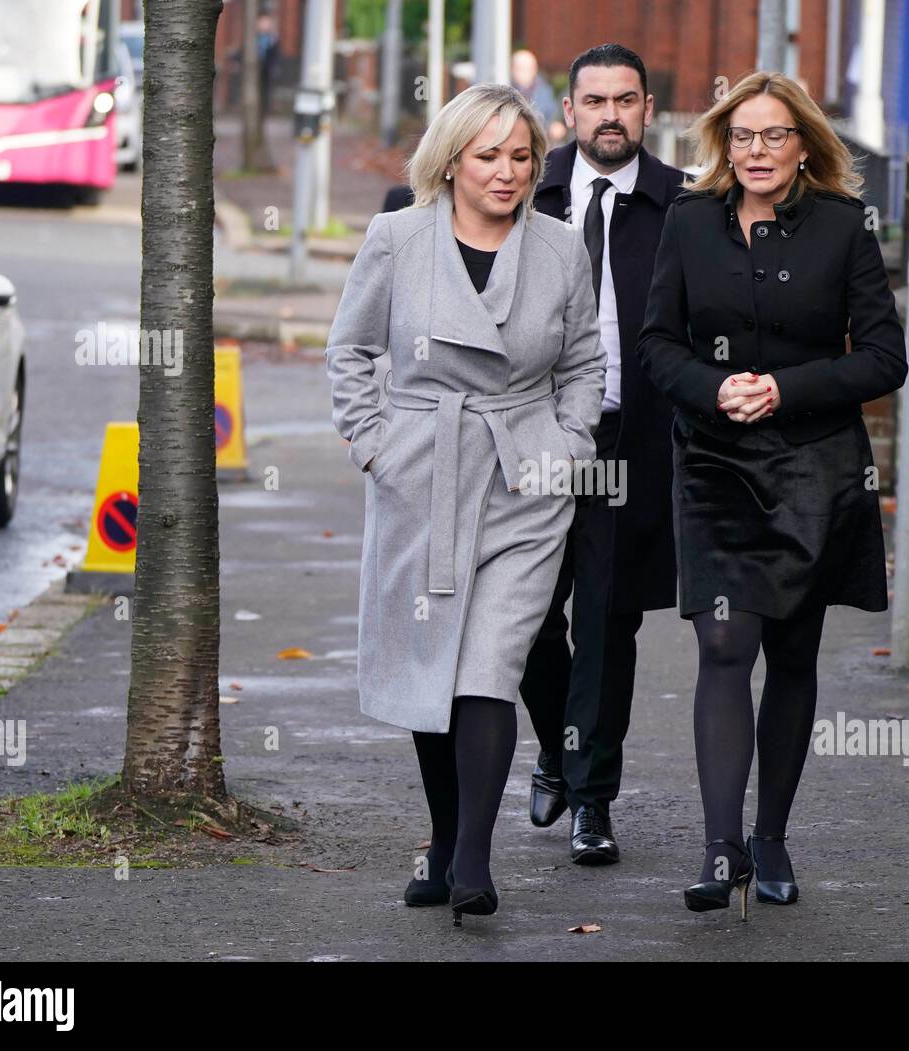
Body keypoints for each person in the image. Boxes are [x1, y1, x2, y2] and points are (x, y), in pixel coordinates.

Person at [325, 83, 604, 926]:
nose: (508, 172)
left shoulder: (559, 248)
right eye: (489, 156)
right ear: (450, 161)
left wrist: (570, 448)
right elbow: (349, 349)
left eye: (522, 156)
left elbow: (585, 363)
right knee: (429, 669)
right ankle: (444, 843)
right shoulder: (397, 237)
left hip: (526, 481)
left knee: (489, 663)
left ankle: (475, 861)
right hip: (422, 475)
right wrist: (374, 445)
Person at [637, 71, 907, 919]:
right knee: (724, 646)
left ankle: (772, 837)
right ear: (725, 142)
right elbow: (656, 344)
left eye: (774, 136)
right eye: (743, 136)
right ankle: (720, 850)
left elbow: (884, 358)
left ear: (803, 146)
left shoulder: (841, 228)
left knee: (791, 654)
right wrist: (716, 389)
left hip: (812, 467)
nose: (757, 151)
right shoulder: (687, 221)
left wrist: (784, 390)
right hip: (715, 460)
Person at [522, 43, 686, 865]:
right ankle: (555, 748)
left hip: (631, 438)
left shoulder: (681, 205)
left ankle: (592, 798)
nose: (611, 115)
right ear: (571, 112)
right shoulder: (528, 190)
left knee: (608, 621)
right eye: (595, 101)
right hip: (533, 439)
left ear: (647, 110)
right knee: (527, 621)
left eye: (626, 100)